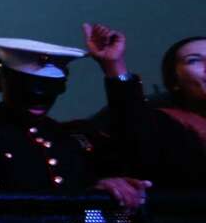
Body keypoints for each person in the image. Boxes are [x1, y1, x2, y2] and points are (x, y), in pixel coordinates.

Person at [0, 37, 150, 207]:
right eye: (25, 89)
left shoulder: (75, 138)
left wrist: (114, 66)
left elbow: (136, 144)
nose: (39, 97)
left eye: (50, 89)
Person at [85, 24, 205, 188]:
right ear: (174, 81)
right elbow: (131, 117)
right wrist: (114, 65)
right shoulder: (164, 123)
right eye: (194, 60)